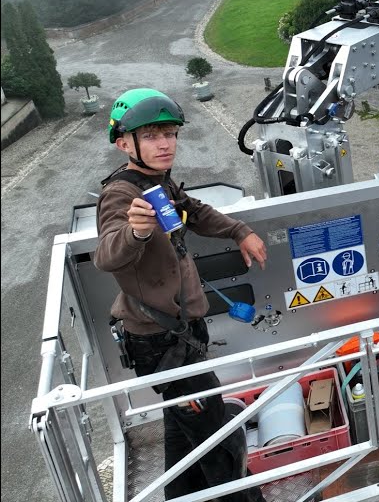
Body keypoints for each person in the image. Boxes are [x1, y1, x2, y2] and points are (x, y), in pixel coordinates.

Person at [95, 88, 268, 500]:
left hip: (179, 335)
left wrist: (239, 231)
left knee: (182, 432)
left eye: (170, 133)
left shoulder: (158, 183)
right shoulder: (121, 195)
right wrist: (136, 231)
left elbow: (195, 212)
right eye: (152, 135)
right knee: (216, 442)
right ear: (124, 143)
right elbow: (105, 255)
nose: (165, 143)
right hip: (161, 343)